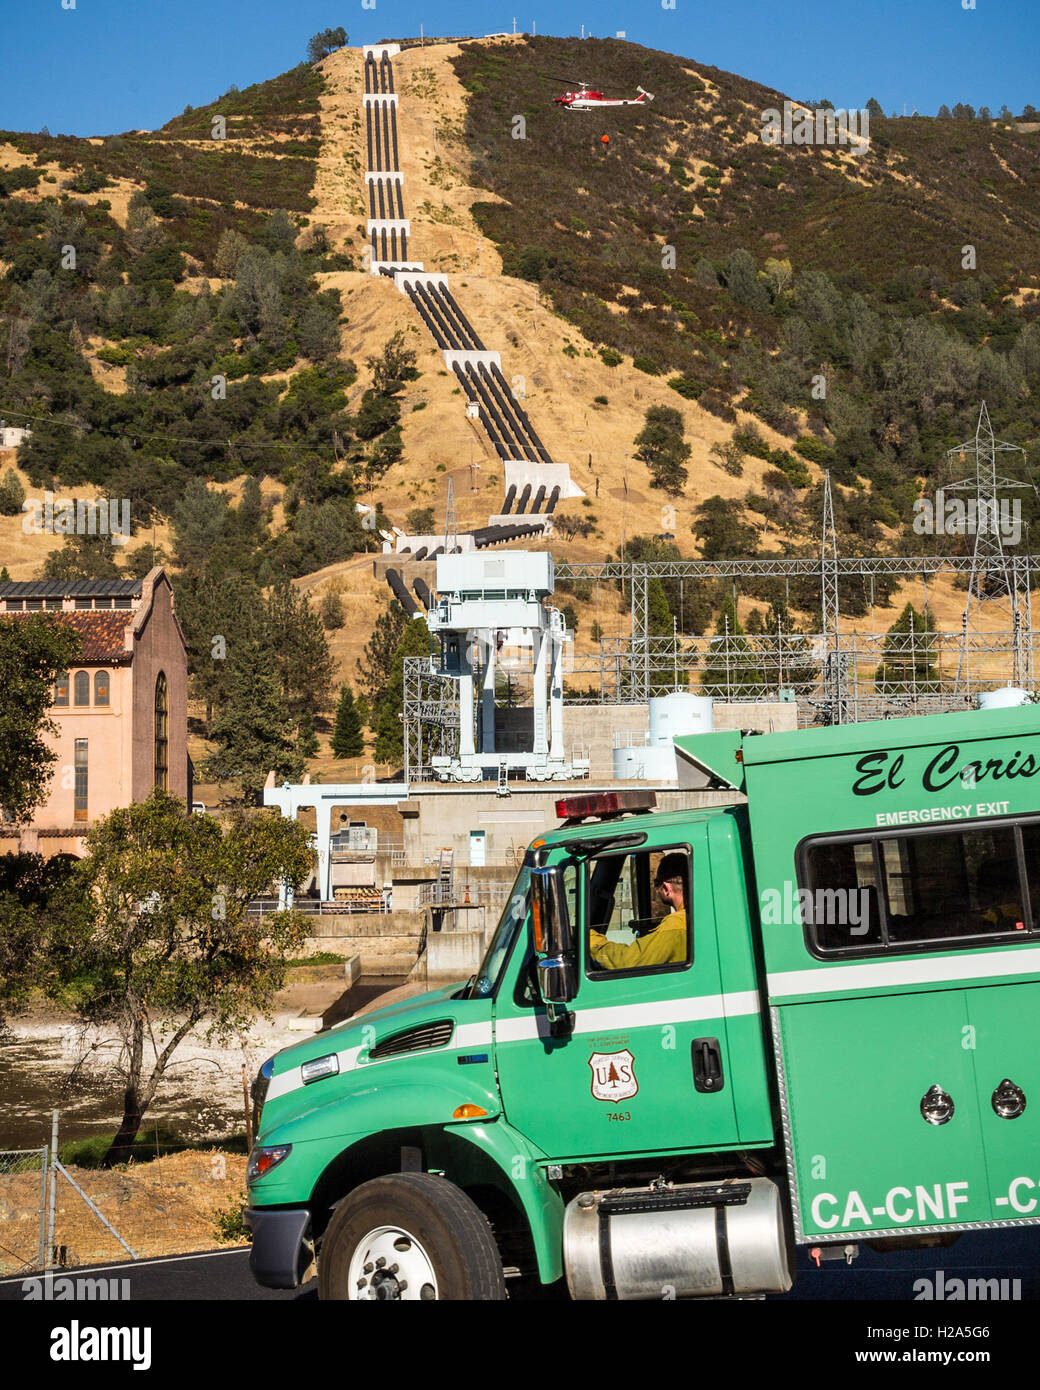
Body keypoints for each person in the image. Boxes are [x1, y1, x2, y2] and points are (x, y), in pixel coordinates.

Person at [589, 853, 687, 970]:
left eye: (657, 883)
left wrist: (589, 939)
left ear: (667, 888)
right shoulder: (693, 917)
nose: (656, 889)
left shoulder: (676, 924)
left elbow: (627, 961)